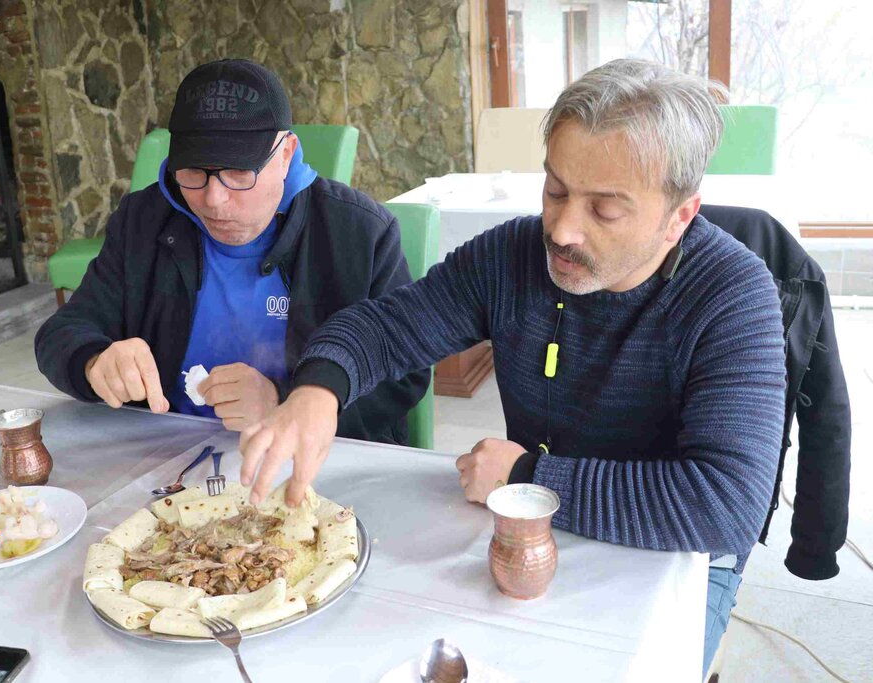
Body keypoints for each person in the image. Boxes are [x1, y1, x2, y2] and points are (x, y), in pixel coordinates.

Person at [237, 59, 787, 676]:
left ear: (679, 217)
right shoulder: (512, 256)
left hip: (679, 556)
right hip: (529, 531)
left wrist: (528, 478)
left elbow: (724, 505)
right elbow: (389, 327)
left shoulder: (733, 295)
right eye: (555, 190)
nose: (563, 230)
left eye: (605, 211)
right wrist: (318, 388)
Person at [35, 58, 428, 445]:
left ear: (286, 154)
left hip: (310, 457)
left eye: (240, 173)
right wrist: (94, 360)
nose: (214, 200)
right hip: (167, 453)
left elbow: (404, 374)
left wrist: (283, 402)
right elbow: (63, 331)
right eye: (194, 172)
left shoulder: (360, 232)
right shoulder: (144, 219)